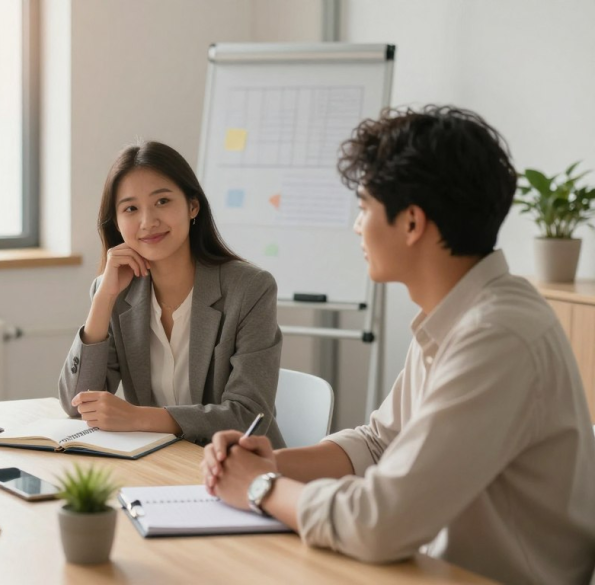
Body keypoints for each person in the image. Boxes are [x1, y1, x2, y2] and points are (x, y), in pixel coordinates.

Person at [201, 106, 595, 584]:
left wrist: (261, 488)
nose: (356, 226)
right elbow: (381, 442)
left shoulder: (497, 336)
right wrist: (268, 463)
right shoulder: (455, 313)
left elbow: (379, 522)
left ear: (411, 223)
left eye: (364, 208)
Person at [58, 140, 284, 447]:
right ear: (117, 222)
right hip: (160, 462)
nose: (148, 221)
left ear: (193, 206)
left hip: (236, 467)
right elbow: (75, 404)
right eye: (130, 208)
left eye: (162, 202)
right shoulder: (114, 292)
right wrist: (102, 300)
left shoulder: (250, 289)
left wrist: (139, 418)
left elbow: (248, 417)